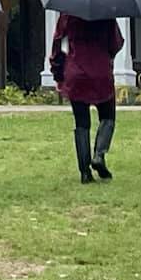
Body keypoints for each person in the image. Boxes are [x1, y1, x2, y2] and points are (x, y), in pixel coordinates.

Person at [50, 12, 124, 184]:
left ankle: (84, 172)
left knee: (81, 123)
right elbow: (116, 43)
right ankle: (99, 154)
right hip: (101, 71)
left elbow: (57, 43)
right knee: (107, 117)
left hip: (76, 73)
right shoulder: (106, 13)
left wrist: (57, 69)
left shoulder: (67, 14)